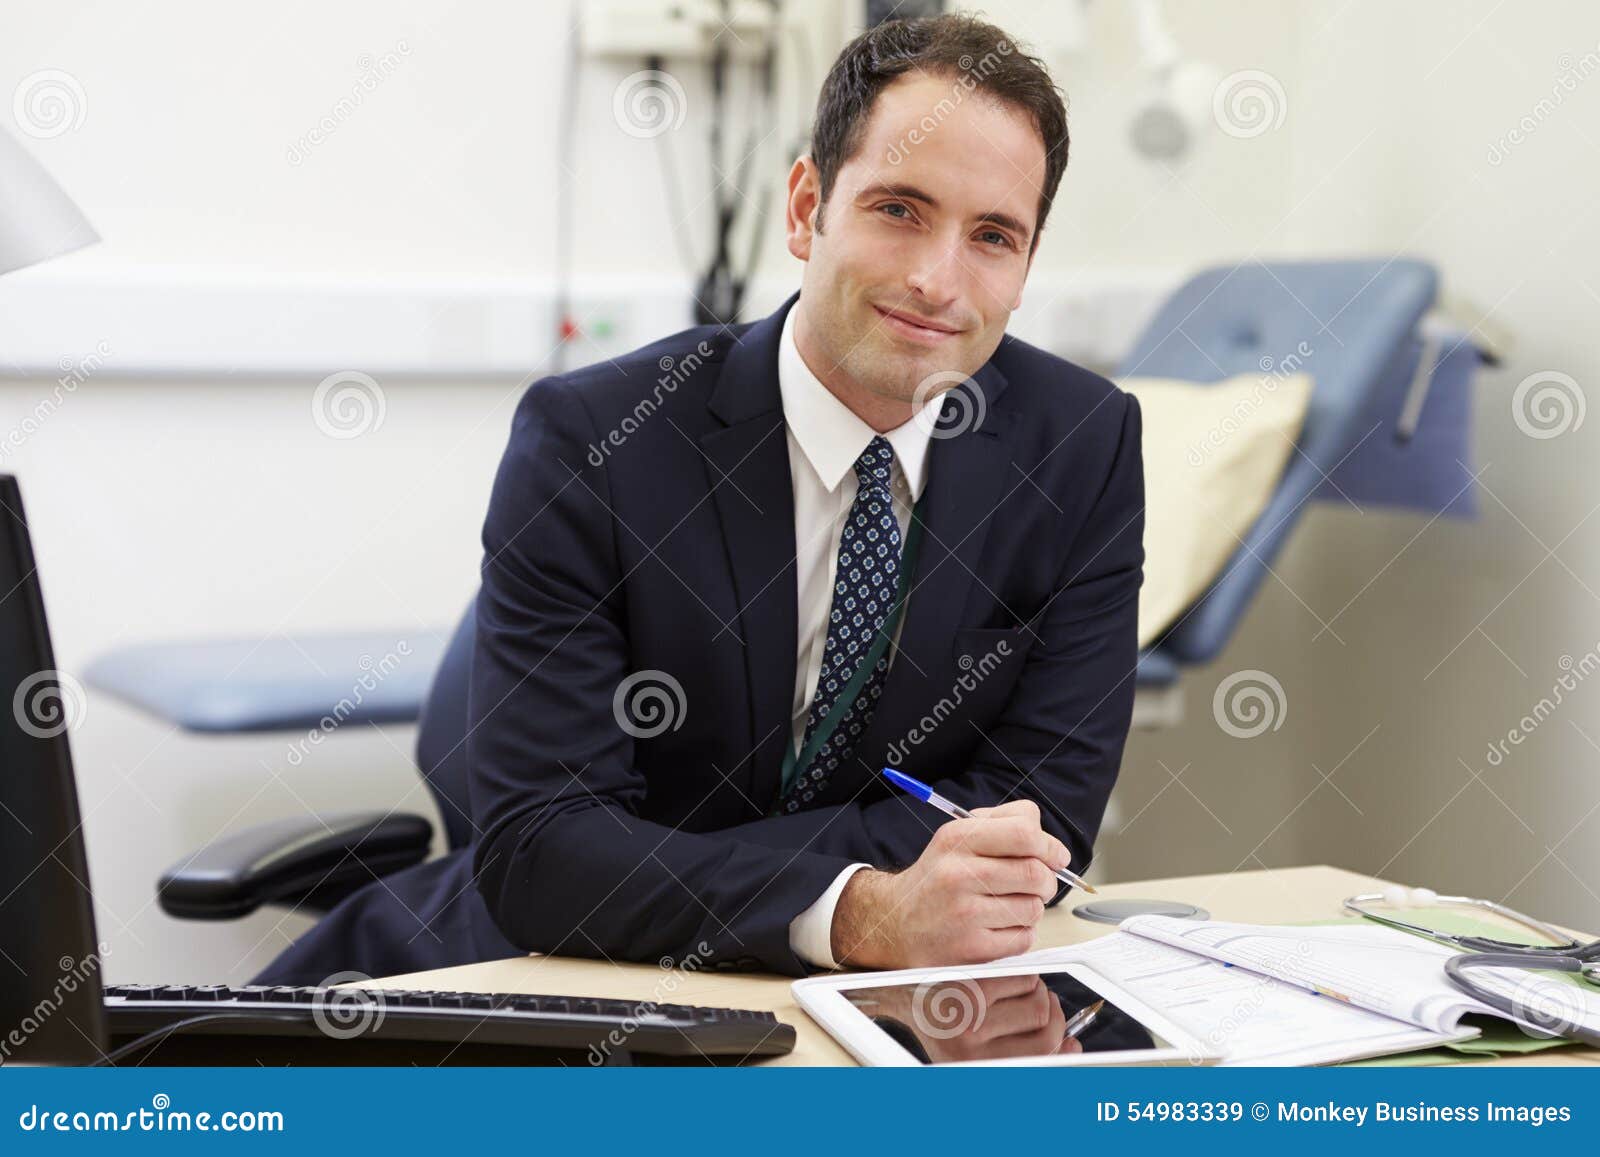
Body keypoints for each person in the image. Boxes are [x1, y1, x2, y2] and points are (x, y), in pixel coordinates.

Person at [253, 12, 1143, 987]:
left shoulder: (1081, 447)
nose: (937, 280)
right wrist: (853, 908)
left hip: (863, 1004)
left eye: (992, 236)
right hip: (537, 976)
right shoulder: (596, 440)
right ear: (806, 206)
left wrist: (684, 864)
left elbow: (1039, 818)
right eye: (898, 209)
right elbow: (543, 852)